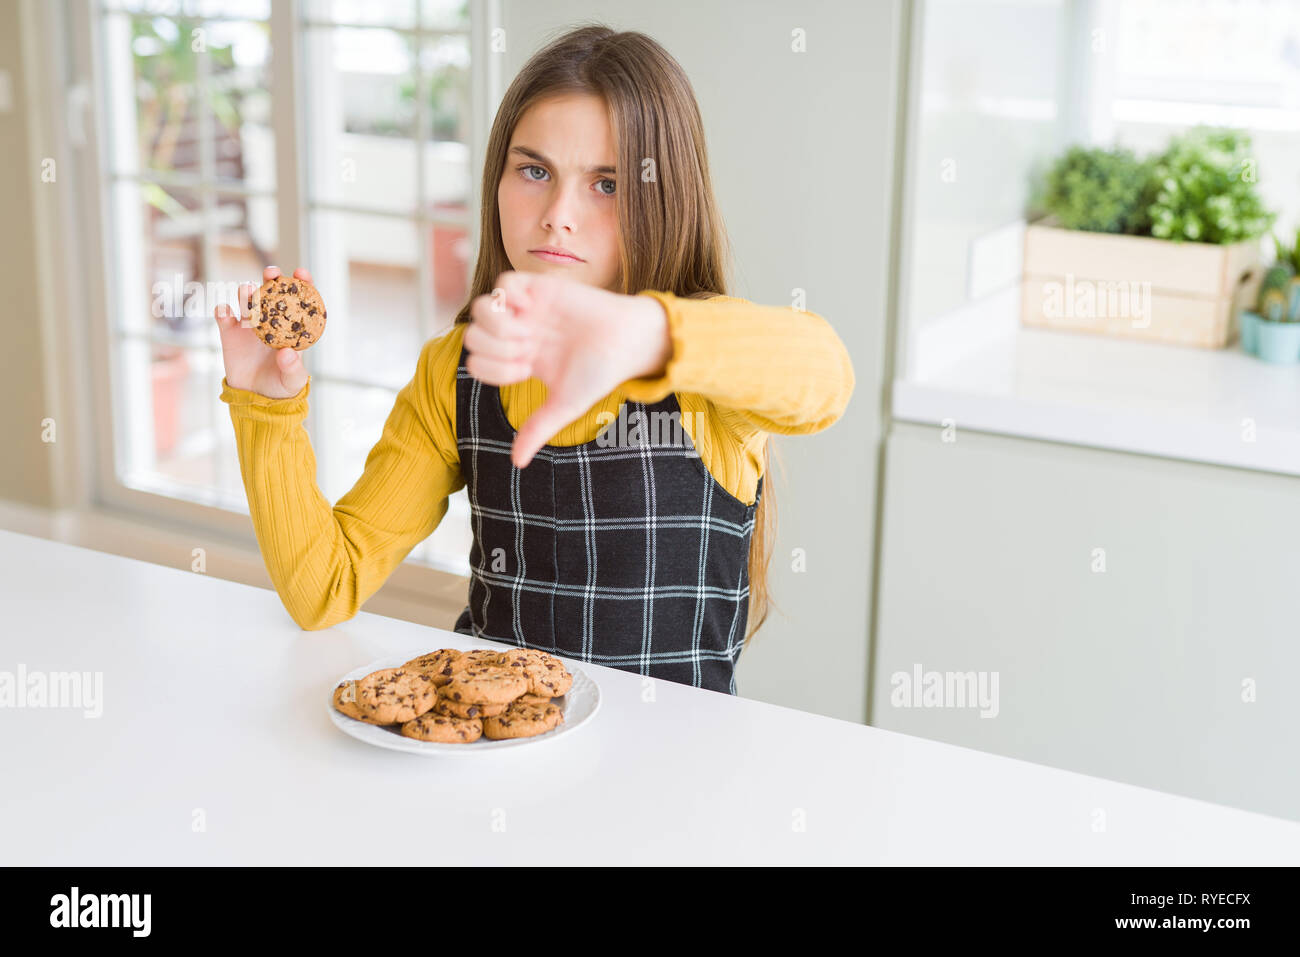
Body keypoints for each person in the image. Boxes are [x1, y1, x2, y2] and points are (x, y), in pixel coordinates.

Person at [215, 25, 854, 695]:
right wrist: (268, 407)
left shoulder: (699, 364)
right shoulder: (455, 371)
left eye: (606, 184)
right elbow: (324, 587)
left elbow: (828, 378)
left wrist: (644, 334)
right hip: (500, 767)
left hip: (672, 776)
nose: (557, 215)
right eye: (534, 170)